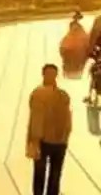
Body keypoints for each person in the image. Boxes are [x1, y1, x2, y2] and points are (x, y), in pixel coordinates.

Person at [27, 63, 71, 195]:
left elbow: (36, 118)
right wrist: (66, 135)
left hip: (44, 140)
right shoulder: (63, 95)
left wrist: (34, 141)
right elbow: (68, 118)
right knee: (55, 174)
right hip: (58, 141)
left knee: (40, 173)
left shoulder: (38, 94)